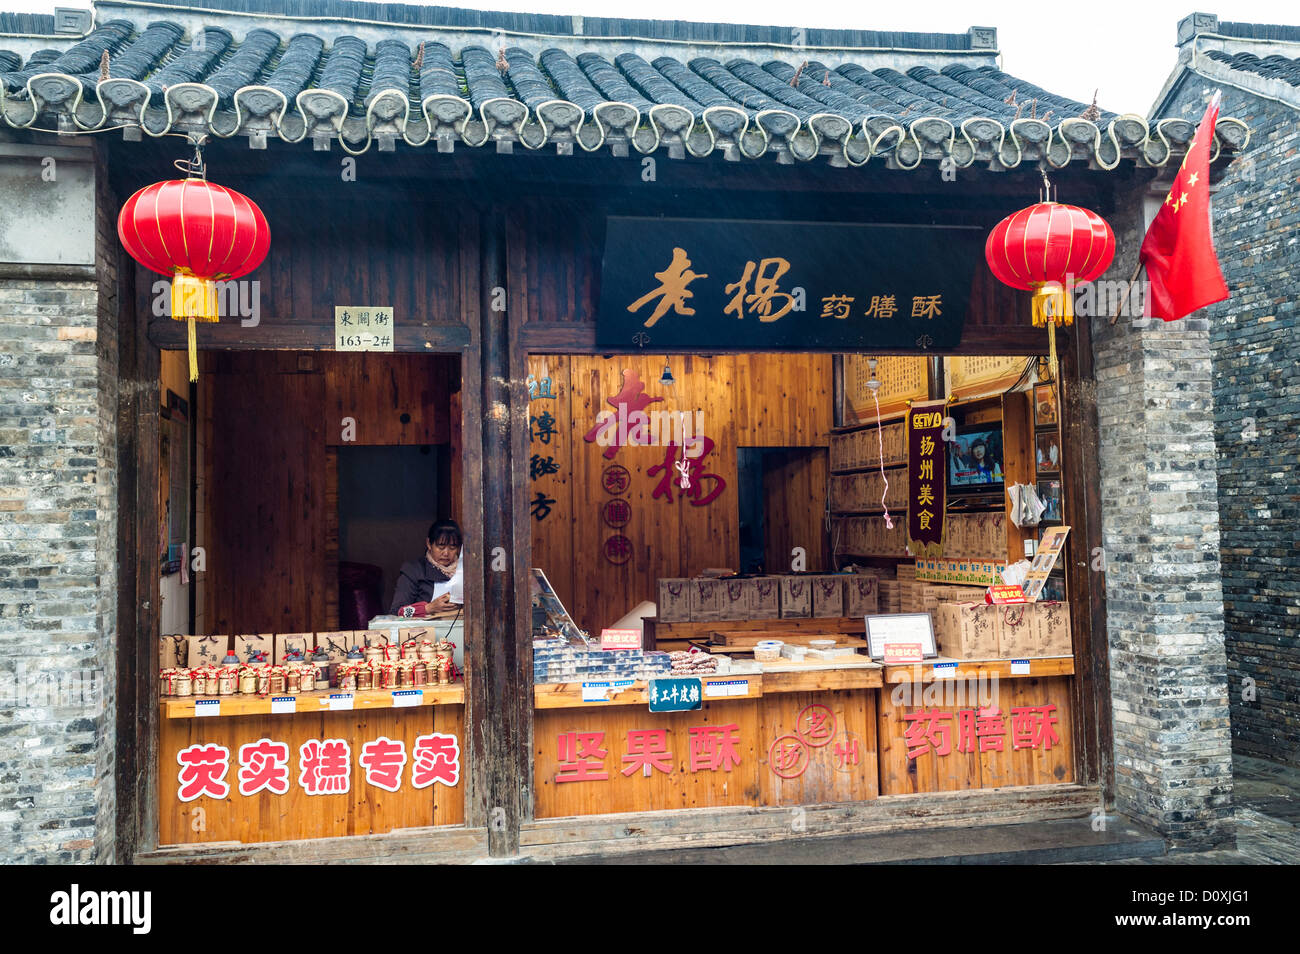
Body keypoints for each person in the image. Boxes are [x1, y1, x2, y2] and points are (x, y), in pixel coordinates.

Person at [389, 519, 464, 616]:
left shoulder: (465, 571)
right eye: (441, 546)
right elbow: (397, 612)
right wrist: (427, 608)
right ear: (429, 544)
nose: (446, 553)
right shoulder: (413, 570)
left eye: (452, 547)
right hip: (424, 630)